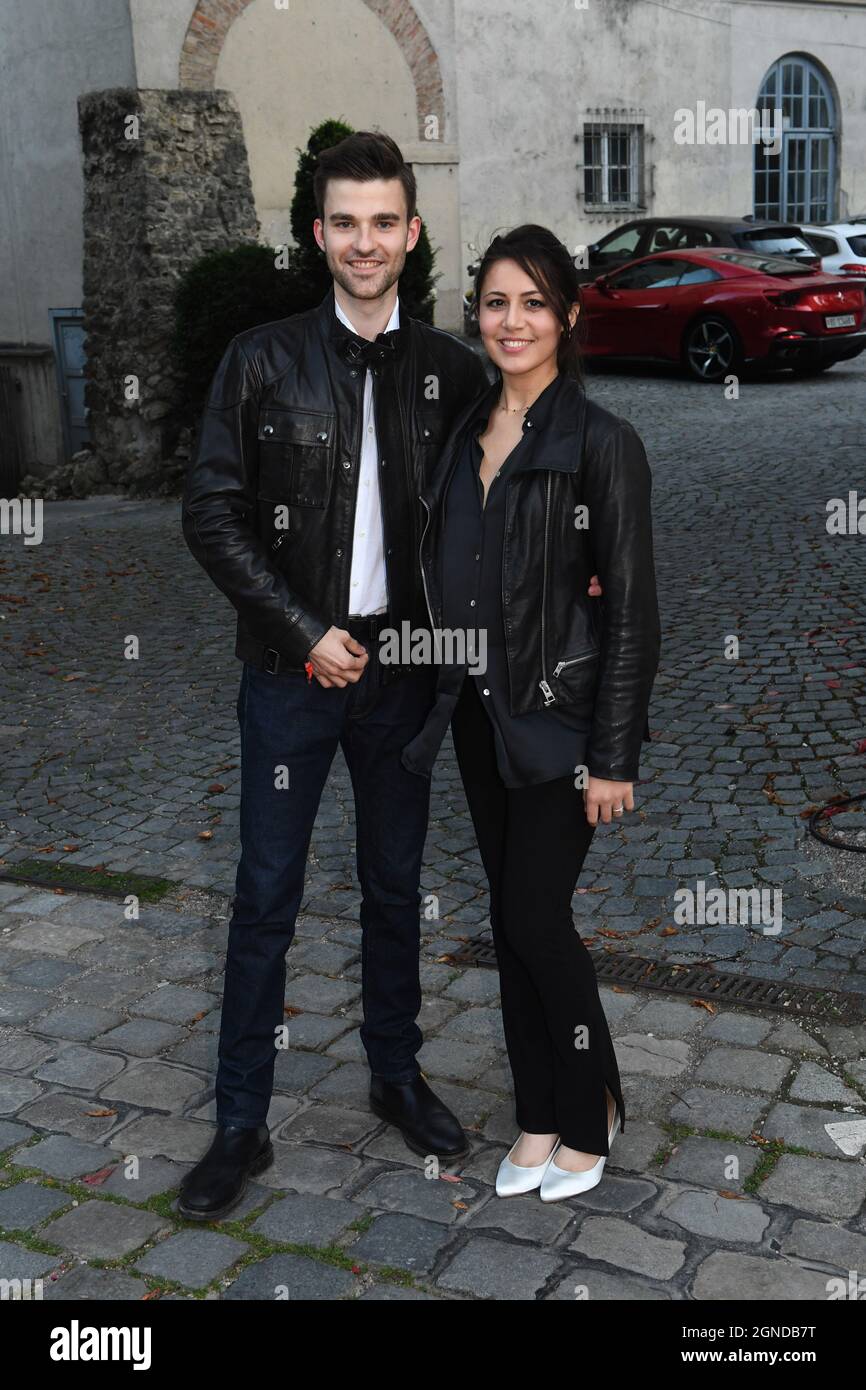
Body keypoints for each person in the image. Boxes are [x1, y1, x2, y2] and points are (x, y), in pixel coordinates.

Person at [178, 131, 498, 1219]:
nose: (365, 243)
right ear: (318, 235)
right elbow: (212, 513)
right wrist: (304, 628)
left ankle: (396, 1074)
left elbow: (493, 521)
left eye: (384, 223)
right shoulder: (260, 359)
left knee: (394, 886)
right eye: (344, 223)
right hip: (288, 668)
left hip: (402, 674)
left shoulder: (454, 374)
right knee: (265, 894)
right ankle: (238, 1122)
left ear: (412, 234)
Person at [401, 225, 661, 1200]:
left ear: (567, 317)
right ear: (477, 311)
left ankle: (590, 1102)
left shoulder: (601, 444)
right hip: (476, 715)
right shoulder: (461, 433)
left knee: (533, 916)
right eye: (496, 301)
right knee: (511, 926)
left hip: (558, 721)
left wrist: (614, 754)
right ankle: (539, 1113)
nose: (511, 321)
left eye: (533, 303)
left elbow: (632, 612)